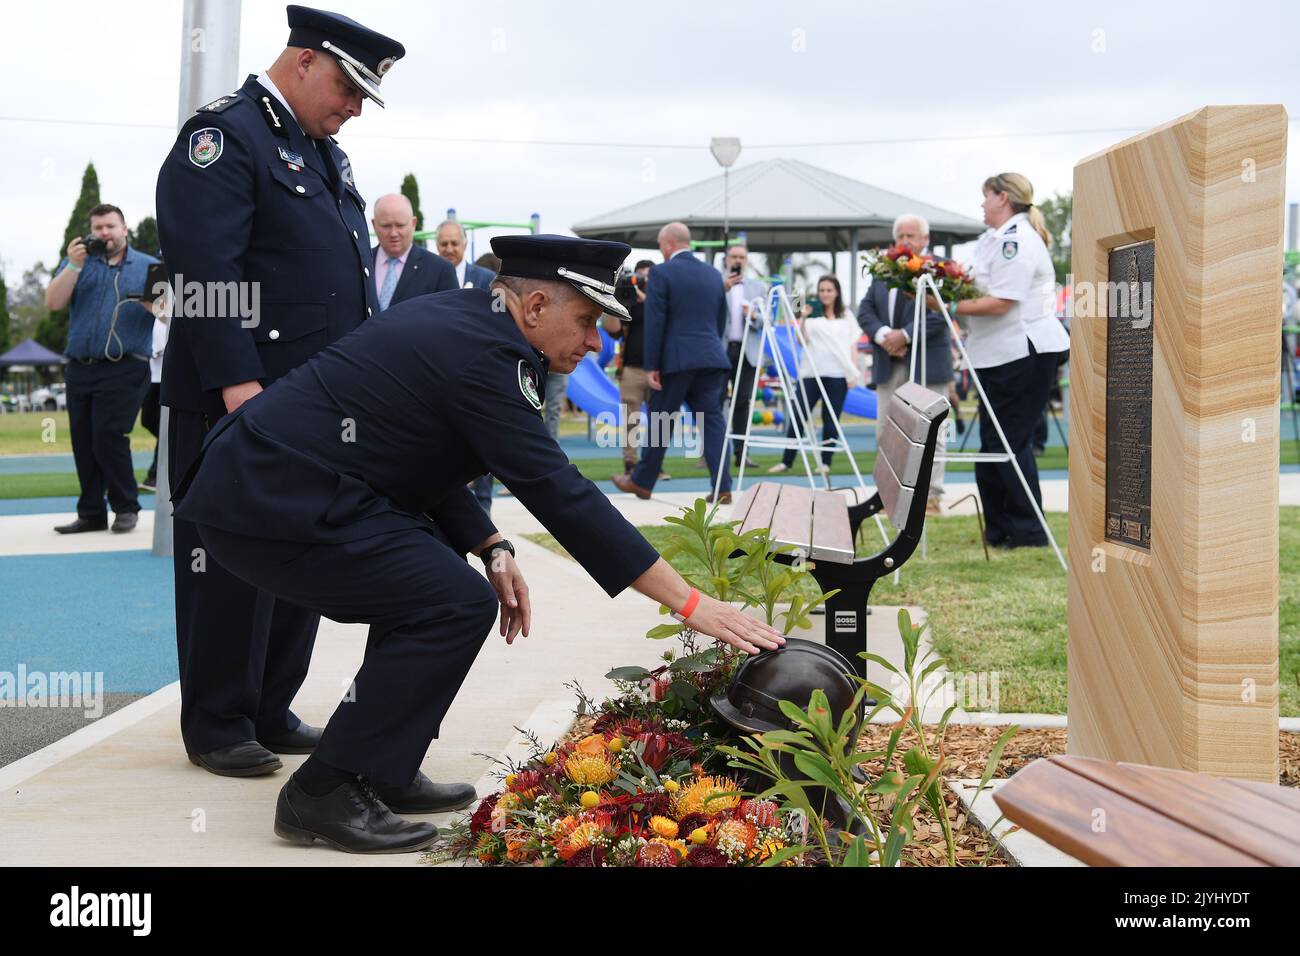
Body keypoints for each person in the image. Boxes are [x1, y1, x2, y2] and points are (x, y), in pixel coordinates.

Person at [169, 235, 785, 853]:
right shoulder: (487, 355)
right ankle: (325, 790)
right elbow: (560, 493)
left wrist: (490, 543)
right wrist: (691, 604)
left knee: (435, 586)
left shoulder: (468, 323)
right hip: (269, 500)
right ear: (536, 306)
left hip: (278, 488)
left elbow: (419, 455)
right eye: (589, 321)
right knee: (450, 602)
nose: (596, 342)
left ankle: (380, 764)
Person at [155, 4, 404, 777]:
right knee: (228, 561)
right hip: (244, 403)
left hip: (316, 403)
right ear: (302, 62)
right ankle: (219, 722)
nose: (355, 107)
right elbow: (203, 277)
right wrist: (242, 391)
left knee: (300, 560)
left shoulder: (321, 150)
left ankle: (268, 702)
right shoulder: (225, 138)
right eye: (348, 87)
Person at [943, 173, 1068, 548]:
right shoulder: (990, 242)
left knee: (1008, 445)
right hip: (997, 353)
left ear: (1002, 198)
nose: (981, 204)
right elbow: (974, 285)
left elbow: (1002, 302)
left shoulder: (1018, 241)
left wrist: (947, 304)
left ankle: (1028, 530)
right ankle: (999, 528)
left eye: (986, 196)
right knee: (993, 444)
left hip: (1024, 351)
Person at [45, 203, 158, 534]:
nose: (104, 233)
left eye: (110, 226)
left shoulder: (152, 266)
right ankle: (91, 513)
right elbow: (53, 302)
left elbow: (169, 314)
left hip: (127, 366)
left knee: (108, 434)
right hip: (80, 366)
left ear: (125, 229)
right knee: (83, 440)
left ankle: (126, 506)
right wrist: (74, 266)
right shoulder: (79, 264)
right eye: (98, 228)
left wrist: (153, 303)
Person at [611, 223, 733, 504]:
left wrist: (652, 365)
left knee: (661, 420)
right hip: (711, 357)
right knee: (712, 423)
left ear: (667, 245)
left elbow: (656, 322)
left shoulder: (662, 273)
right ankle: (723, 486)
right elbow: (720, 320)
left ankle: (642, 482)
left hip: (676, 361)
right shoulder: (714, 274)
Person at [857, 213, 954, 514]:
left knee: (932, 432)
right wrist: (886, 335)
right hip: (889, 364)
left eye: (911, 236)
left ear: (925, 240)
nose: (905, 241)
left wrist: (906, 337)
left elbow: (942, 314)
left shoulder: (938, 270)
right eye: (900, 236)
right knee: (887, 432)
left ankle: (931, 496)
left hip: (928, 362)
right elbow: (865, 310)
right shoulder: (882, 271)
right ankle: (891, 497)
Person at [768, 276, 860, 474]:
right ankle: (787, 461)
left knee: (831, 420)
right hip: (810, 374)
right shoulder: (811, 314)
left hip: (837, 375)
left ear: (836, 292)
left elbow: (853, 344)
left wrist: (852, 372)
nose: (825, 294)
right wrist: (802, 317)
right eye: (822, 290)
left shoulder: (846, 316)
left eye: (829, 290)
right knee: (798, 416)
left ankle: (825, 463)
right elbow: (801, 341)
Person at [602, 259, 668, 479]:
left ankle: (654, 466)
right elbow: (613, 330)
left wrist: (645, 298)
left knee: (659, 419)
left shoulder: (660, 300)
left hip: (658, 369)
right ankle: (630, 464)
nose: (642, 281)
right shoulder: (628, 299)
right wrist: (612, 298)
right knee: (631, 420)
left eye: (647, 276)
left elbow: (667, 320)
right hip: (631, 368)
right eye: (639, 276)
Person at [720, 244, 766, 469]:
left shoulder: (758, 287)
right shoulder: (717, 284)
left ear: (746, 261)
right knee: (715, 401)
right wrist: (723, 288)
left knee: (743, 402)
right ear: (727, 259)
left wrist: (754, 315)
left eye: (742, 257)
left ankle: (741, 453)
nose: (737, 260)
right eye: (734, 256)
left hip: (747, 352)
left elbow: (768, 321)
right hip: (720, 350)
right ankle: (713, 453)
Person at [371, 193, 456, 309]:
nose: (393, 233)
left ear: (413, 224)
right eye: (386, 226)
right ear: (374, 225)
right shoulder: (357, 264)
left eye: (400, 226)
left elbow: (452, 319)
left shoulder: (440, 270)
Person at [139, 298, 170, 492]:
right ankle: (156, 472)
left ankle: (155, 475)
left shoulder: (163, 312)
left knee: (163, 426)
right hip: (153, 375)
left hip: (164, 377)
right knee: (150, 421)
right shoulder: (149, 317)